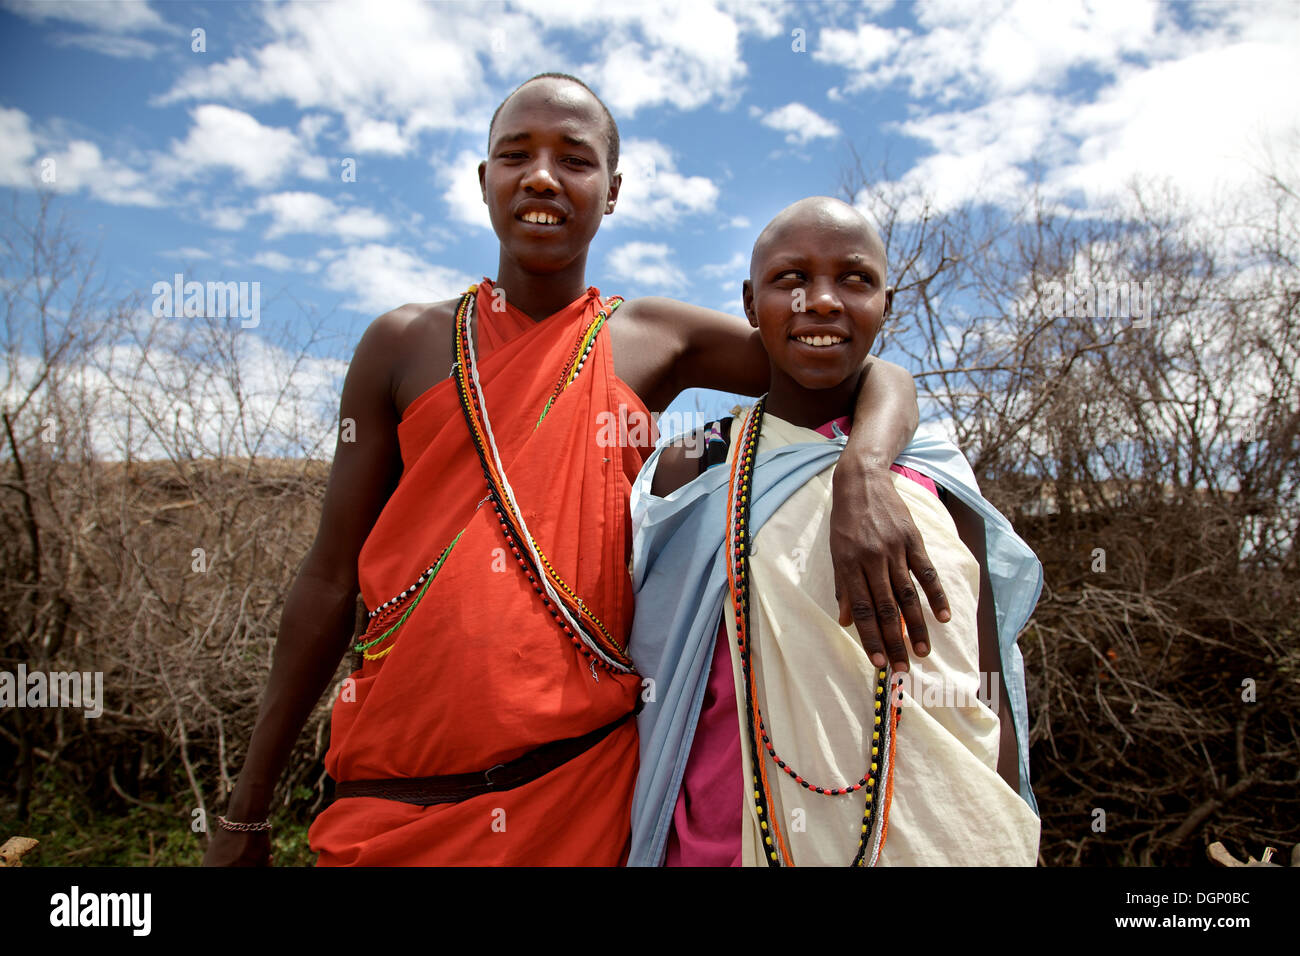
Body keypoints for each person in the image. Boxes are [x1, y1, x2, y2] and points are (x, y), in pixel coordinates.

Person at [202, 75, 949, 867]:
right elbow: (327, 580)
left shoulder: (652, 339)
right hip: (390, 797)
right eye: (515, 154)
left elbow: (854, 367)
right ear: (483, 179)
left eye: (575, 159)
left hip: (577, 798)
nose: (543, 177)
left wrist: (863, 473)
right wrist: (247, 811)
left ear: (613, 190)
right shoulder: (402, 345)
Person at [627, 197, 1043, 866]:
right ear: (748, 301)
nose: (821, 301)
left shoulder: (938, 481)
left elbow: (981, 698)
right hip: (725, 842)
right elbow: (659, 665)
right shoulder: (697, 467)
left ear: (886, 301)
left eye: (853, 278)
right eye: (791, 277)